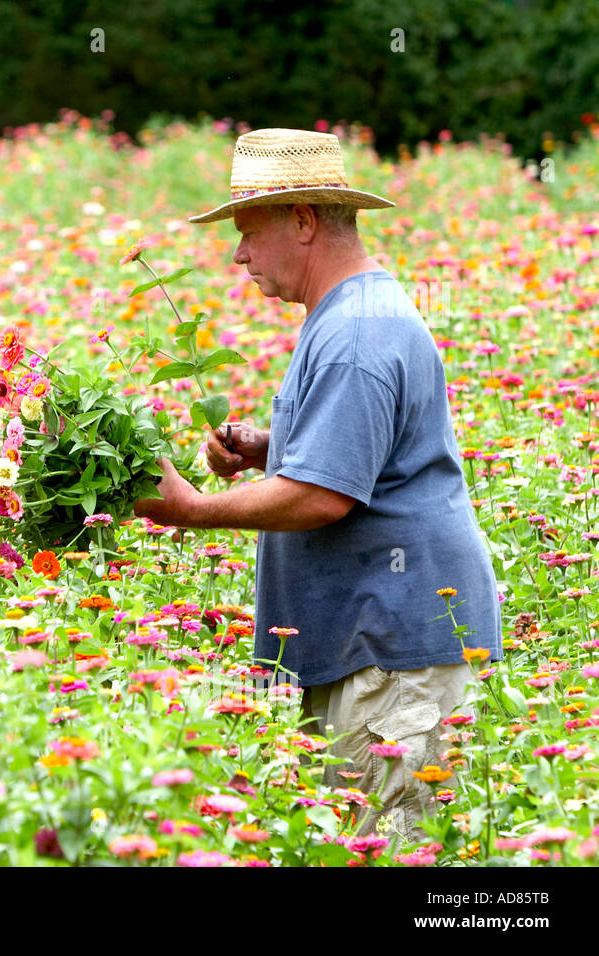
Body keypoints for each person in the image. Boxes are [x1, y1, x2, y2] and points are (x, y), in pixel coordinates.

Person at [132, 128, 503, 842]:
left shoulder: (355, 334)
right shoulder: (353, 313)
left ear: (303, 221)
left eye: (248, 232)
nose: (238, 254)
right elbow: (373, 450)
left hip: (393, 653)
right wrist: (274, 447)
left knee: (389, 850)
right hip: (379, 647)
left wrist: (190, 509)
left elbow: (322, 497)